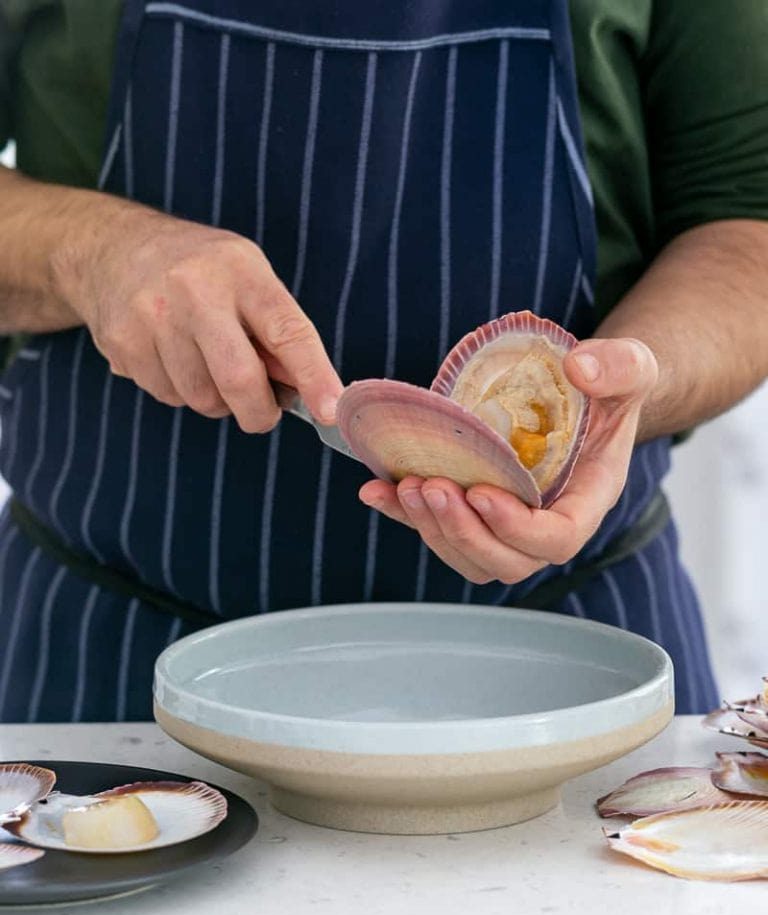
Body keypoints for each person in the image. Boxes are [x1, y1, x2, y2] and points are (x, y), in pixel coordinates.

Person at [0, 0, 766, 723]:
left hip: (573, 658)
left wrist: (619, 395)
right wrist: (91, 252)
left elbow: (746, 215)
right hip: (103, 657)